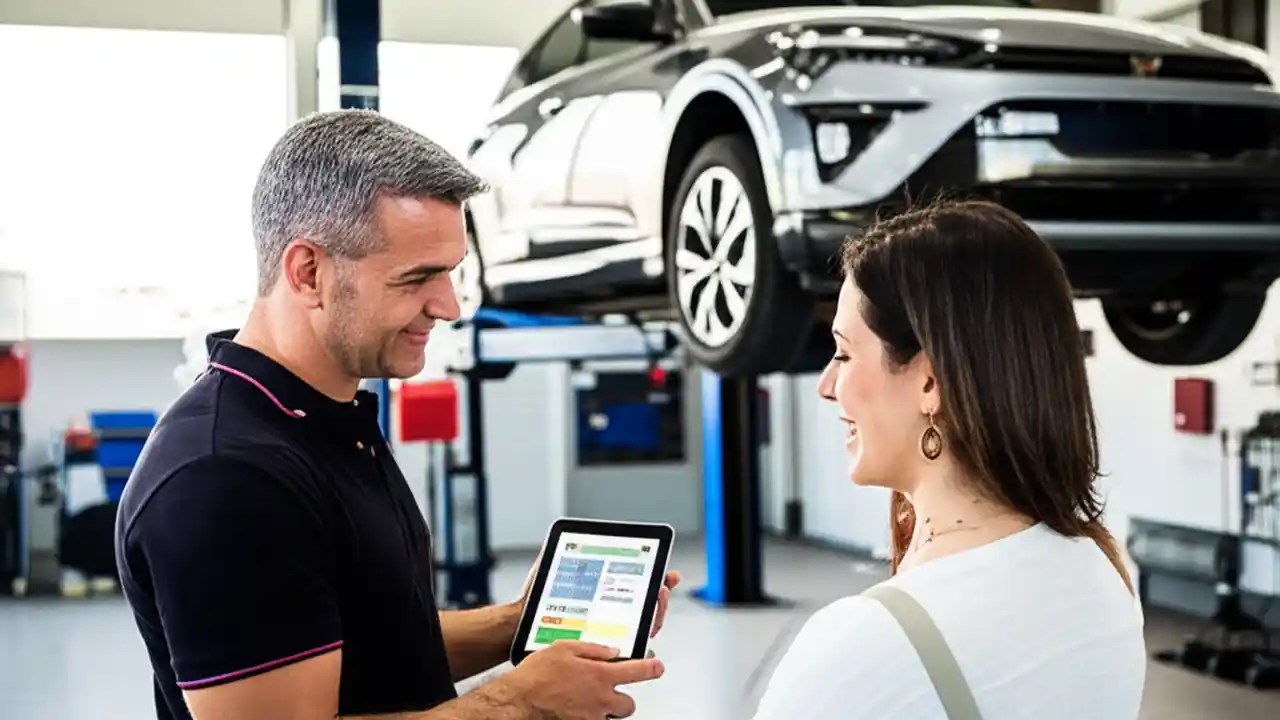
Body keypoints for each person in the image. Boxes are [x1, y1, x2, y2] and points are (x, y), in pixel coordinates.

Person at [115, 109, 678, 720]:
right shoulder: (226, 476)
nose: (449, 306)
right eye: (418, 279)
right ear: (309, 273)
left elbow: (367, 641)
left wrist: (521, 623)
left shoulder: (326, 423)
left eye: (453, 273)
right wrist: (520, 702)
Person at [752, 200, 1147, 719]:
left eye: (844, 354)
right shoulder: (1106, 570)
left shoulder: (859, 645)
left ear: (931, 381)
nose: (827, 386)